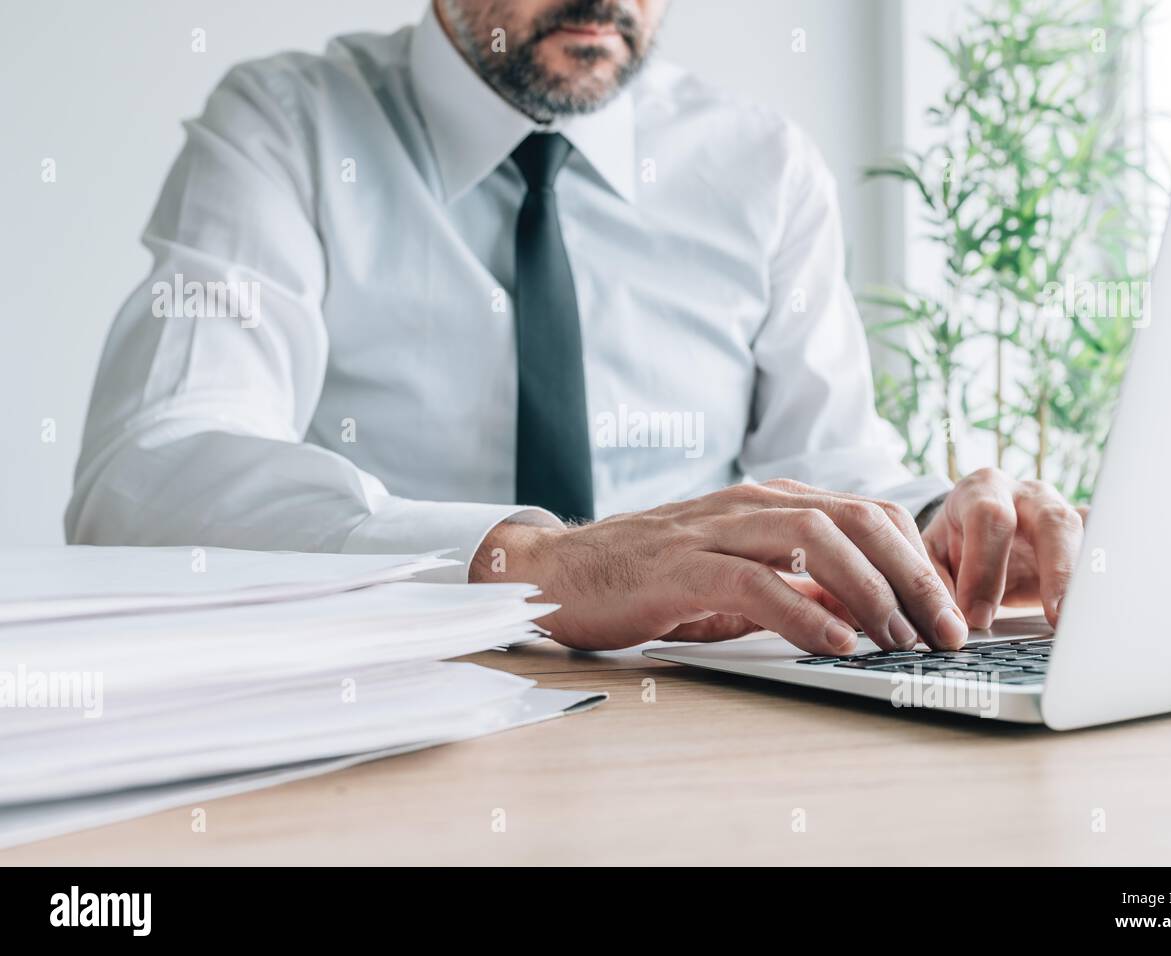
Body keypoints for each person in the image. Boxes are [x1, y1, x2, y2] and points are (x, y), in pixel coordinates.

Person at [68, 0, 1085, 658]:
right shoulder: (287, 128)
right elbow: (146, 478)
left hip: (706, 725)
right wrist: (529, 567)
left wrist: (935, 524)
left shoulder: (763, 166)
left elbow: (829, 466)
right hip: (399, 717)